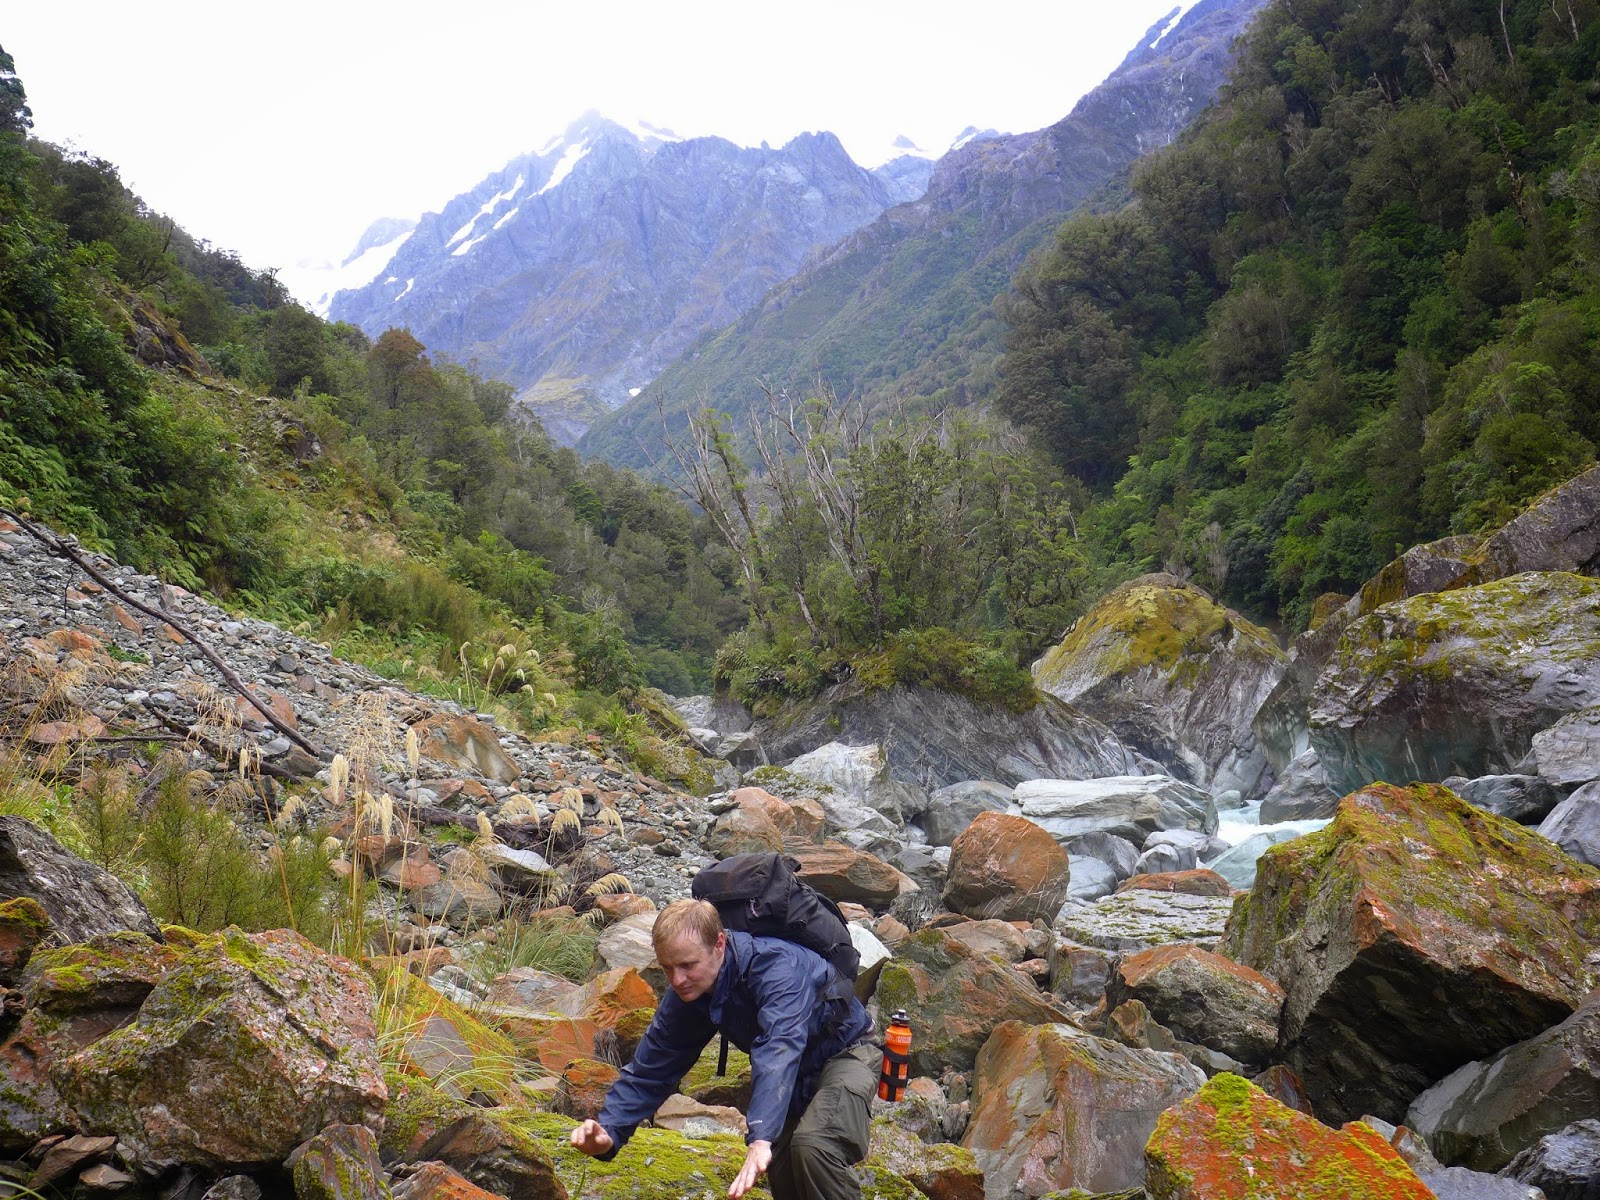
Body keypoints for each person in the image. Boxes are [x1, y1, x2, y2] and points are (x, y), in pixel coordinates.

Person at [568, 898, 878, 1200]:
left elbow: (779, 1048)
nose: (677, 979)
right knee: (785, 1171)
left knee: (813, 1148)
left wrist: (760, 1137)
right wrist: (609, 1133)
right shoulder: (692, 989)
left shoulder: (779, 969)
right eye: (667, 968)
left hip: (847, 1051)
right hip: (798, 1072)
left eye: (688, 965)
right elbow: (651, 1069)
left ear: (719, 944)